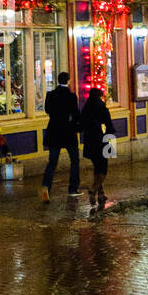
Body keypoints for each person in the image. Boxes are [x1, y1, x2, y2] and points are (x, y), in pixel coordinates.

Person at [42, 70, 81, 201]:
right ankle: (73, 188)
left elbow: (47, 110)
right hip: (68, 133)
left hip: (54, 132)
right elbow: (76, 114)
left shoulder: (51, 95)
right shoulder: (71, 97)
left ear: (58, 81)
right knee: (74, 160)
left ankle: (46, 186)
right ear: (68, 81)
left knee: (52, 162)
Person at [78, 86, 115, 209]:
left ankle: (101, 194)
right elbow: (109, 125)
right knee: (103, 169)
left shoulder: (86, 108)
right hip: (103, 140)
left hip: (90, 141)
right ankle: (93, 189)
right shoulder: (102, 107)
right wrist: (111, 144)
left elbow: (80, 126)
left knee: (97, 167)